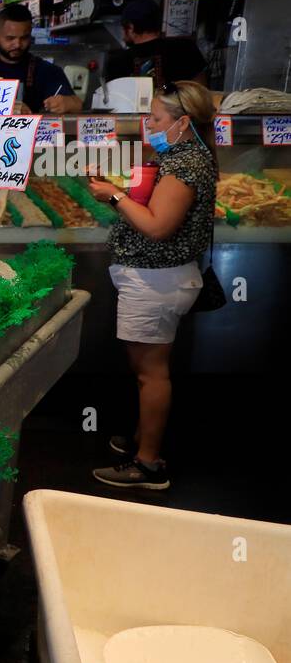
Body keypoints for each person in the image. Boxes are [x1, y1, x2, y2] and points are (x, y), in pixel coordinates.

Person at [85, 81, 218, 491]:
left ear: (182, 123)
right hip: (155, 279)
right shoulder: (183, 156)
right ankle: (145, 437)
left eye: (157, 118)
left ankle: (148, 464)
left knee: (152, 374)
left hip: (158, 281)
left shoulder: (186, 165)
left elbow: (159, 227)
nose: (149, 124)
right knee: (145, 367)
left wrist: (114, 197)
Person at [0, 4, 83, 114]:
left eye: (24, 38)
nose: (18, 44)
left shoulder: (46, 70)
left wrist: (67, 103)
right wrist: (5, 107)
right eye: (10, 38)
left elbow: (78, 104)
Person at [105, 0, 208, 88]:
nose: (122, 35)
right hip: (181, 109)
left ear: (131, 28)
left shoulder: (118, 62)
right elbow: (200, 89)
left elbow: (113, 99)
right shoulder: (185, 48)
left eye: (123, 28)